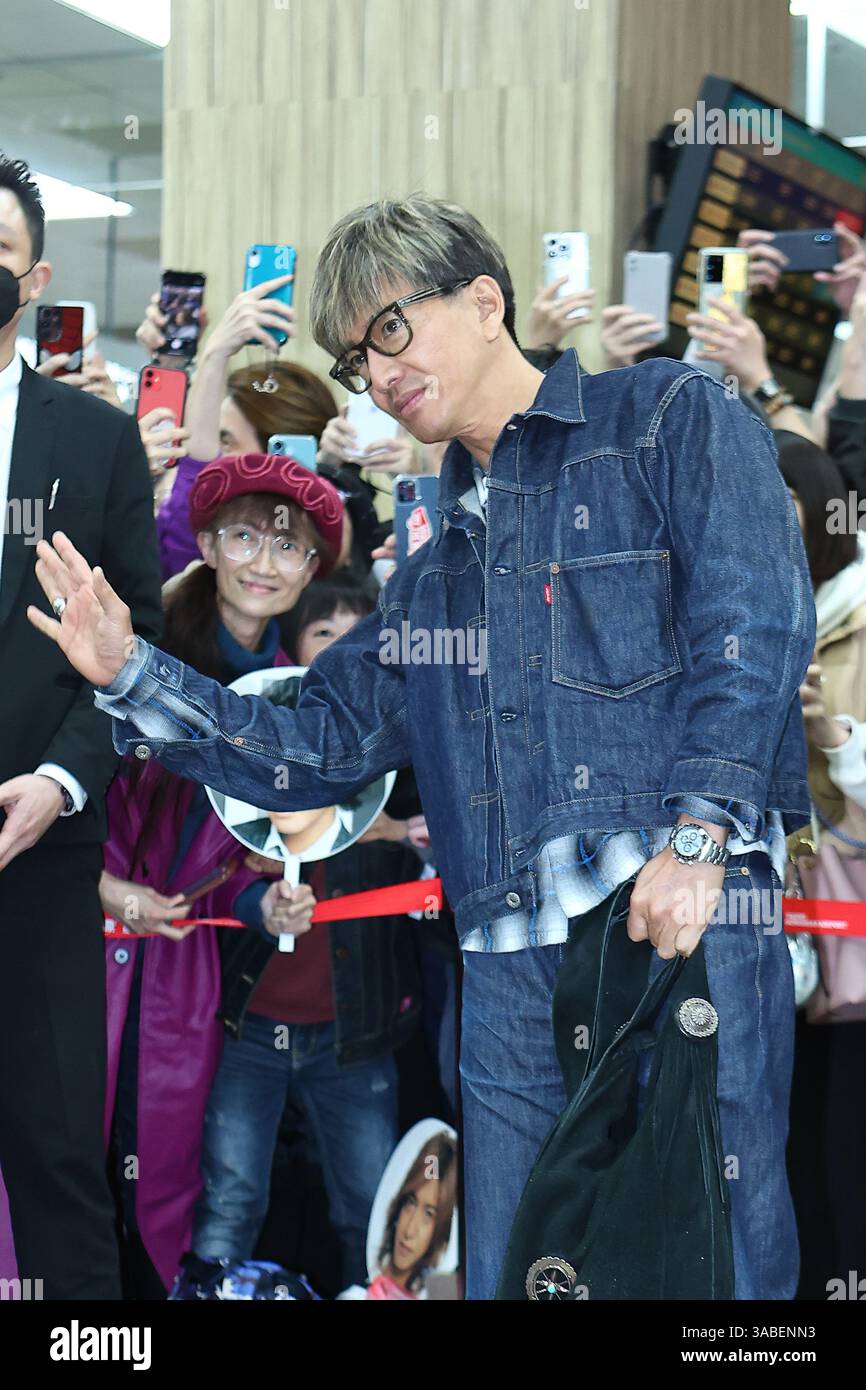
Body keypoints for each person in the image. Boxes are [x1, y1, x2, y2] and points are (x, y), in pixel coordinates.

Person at [30, 192, 815, 1301]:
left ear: (485, 299)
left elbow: (755, 624)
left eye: (389, 328)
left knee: (718, 1260)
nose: (378, 371)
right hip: (501, 966)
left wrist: (696, 843)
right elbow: (313, 742)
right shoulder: (435, 564)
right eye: (356, 358)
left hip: (675, 919)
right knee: (511, 1272)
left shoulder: (668, 415)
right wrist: (132, 674)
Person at [99, 451, 342, 1295]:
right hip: (75, 939)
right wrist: (105, 888)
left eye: (290, 548)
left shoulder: (300, 696)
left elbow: (229, 863)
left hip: (181, 966)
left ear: (313, 568)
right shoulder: (137, 642)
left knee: (161, 1167)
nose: (264, 563)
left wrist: (264, 906)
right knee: (52, 1155)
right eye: (245, 536)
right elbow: (58, 783)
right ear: (206, 541)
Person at [0, 153, 162, 1299]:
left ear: (33, 276)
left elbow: (138, 643)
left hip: (41, 858)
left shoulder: (95, 441)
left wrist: (60, 778)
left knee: (61, 1161)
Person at [776, 434, 866, 1288]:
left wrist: (831, 736)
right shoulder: (734, 608)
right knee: (778, 1159)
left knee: (847, 1163)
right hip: (763, 928)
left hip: (852, 928)